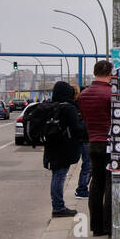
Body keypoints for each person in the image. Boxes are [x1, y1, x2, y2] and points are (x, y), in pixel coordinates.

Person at [77, 61, 115, 238]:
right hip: (109, 142)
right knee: (110, 184)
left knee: (95, 184)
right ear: (109, 73)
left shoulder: (83, 95)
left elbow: (84, 118)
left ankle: (96, 226)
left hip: (93, 142)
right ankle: (109, 225)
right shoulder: (110, 93)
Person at [41, 80, 87, 218]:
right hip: (64, 148)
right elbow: (76, 129)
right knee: (60, 176)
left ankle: (58, 205)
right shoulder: (69, 108)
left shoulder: (50, 106)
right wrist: (86, 124)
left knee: (57, 175)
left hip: (51, 146)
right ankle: (58, 207)